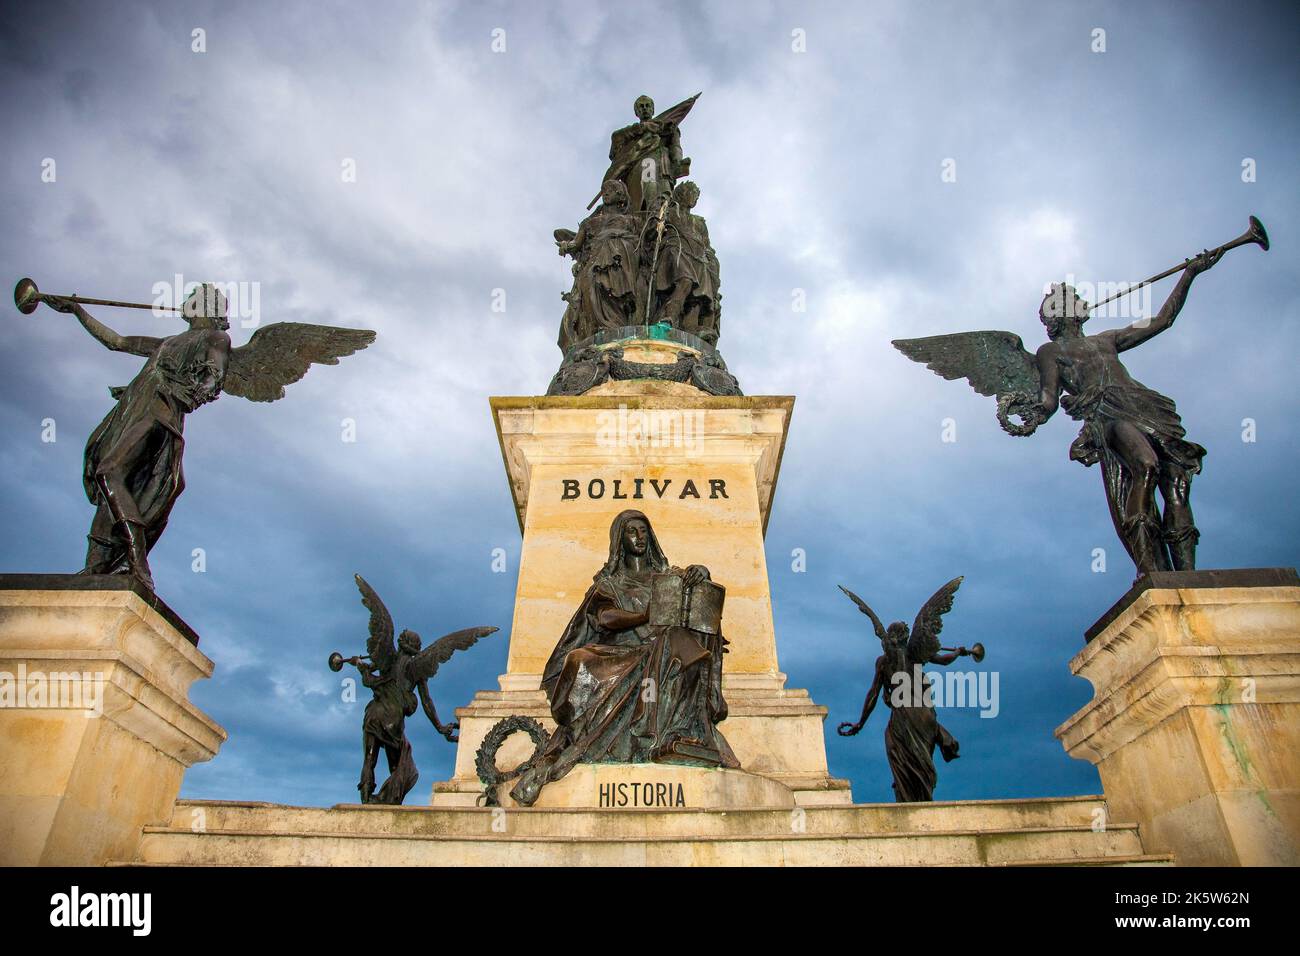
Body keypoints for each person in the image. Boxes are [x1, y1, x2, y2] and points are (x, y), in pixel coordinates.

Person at [510, 509, 738, 806]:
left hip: (662, 648)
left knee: (675, 643)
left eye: (644, 531)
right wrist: (643, 615)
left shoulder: (669, 578)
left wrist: (701, 575)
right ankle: (605, 729)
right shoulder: (609, 584)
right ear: (620, 539)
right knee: (579, 660)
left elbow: (698, 607)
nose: (639, 537)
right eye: (632, 531)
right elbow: (604, 617)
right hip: (621, 650)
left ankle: (667, 731)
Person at [1034, 248, 1222, 572]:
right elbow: (1049, 398)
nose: (1080, 303)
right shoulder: (1050, 351)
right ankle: (1149, 564)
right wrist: (1031, 413)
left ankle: (1188, 577)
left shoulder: (1106, 339)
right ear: (1060, 314)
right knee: (1145, 465)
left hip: (1143, 407)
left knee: (1177, 483)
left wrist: (1189, 275)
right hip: (1108, 417)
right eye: (1073, 300)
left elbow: (1163, 321)